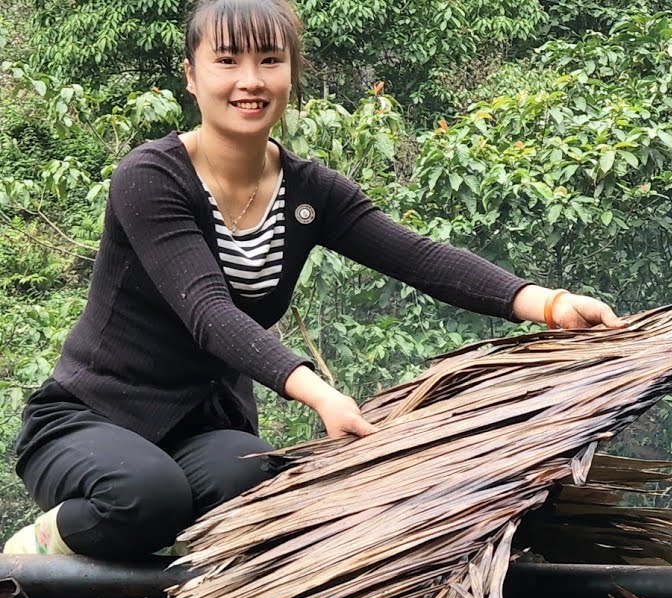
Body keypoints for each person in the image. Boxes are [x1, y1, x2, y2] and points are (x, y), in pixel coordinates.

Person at [4, 0, 622, 559]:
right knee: (147, 495)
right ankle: (34, 548)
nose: (250, 80)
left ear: (290, 73)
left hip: (205, 423)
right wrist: (320, 394)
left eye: (270, 60)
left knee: (249, 485)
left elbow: (419, 257)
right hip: (94, 416)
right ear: (191, 77)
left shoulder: (309, 191)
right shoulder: (151, 176)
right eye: (227, 61)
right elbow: (208, 311)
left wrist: (550, 303)